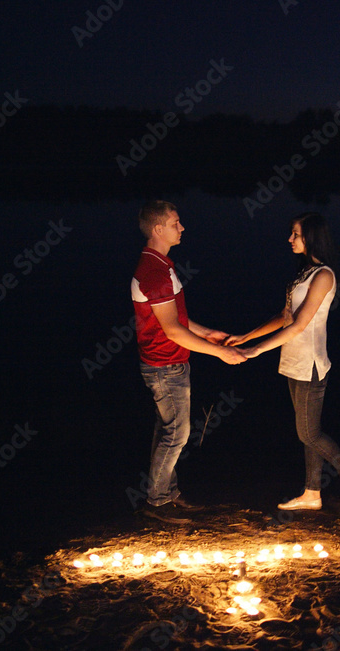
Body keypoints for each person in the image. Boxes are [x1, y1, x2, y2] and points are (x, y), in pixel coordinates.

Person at [228, 212, 340, 510]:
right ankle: (312, 493)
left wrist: (256, 351)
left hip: (311, 364)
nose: (290, 239)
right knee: (307, 430)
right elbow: (285, 318)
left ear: (312, 236)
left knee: (308, 432)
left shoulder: (324, 275)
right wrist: (246, 337)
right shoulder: (303, 273)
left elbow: (301, 324)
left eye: (295, 234)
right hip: (292, 360)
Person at [132, 200, 246, 524]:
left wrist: (208, 333)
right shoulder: (154, 271)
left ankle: (167, 494)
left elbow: (176, 319)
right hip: (164, 367)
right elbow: (172, 331)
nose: (182, 228)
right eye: (175, 223)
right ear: (158, 229)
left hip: (165, 365)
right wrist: (222, 353)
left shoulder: (160, 264)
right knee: (177, 435)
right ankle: (156, 502)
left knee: (167, 430)